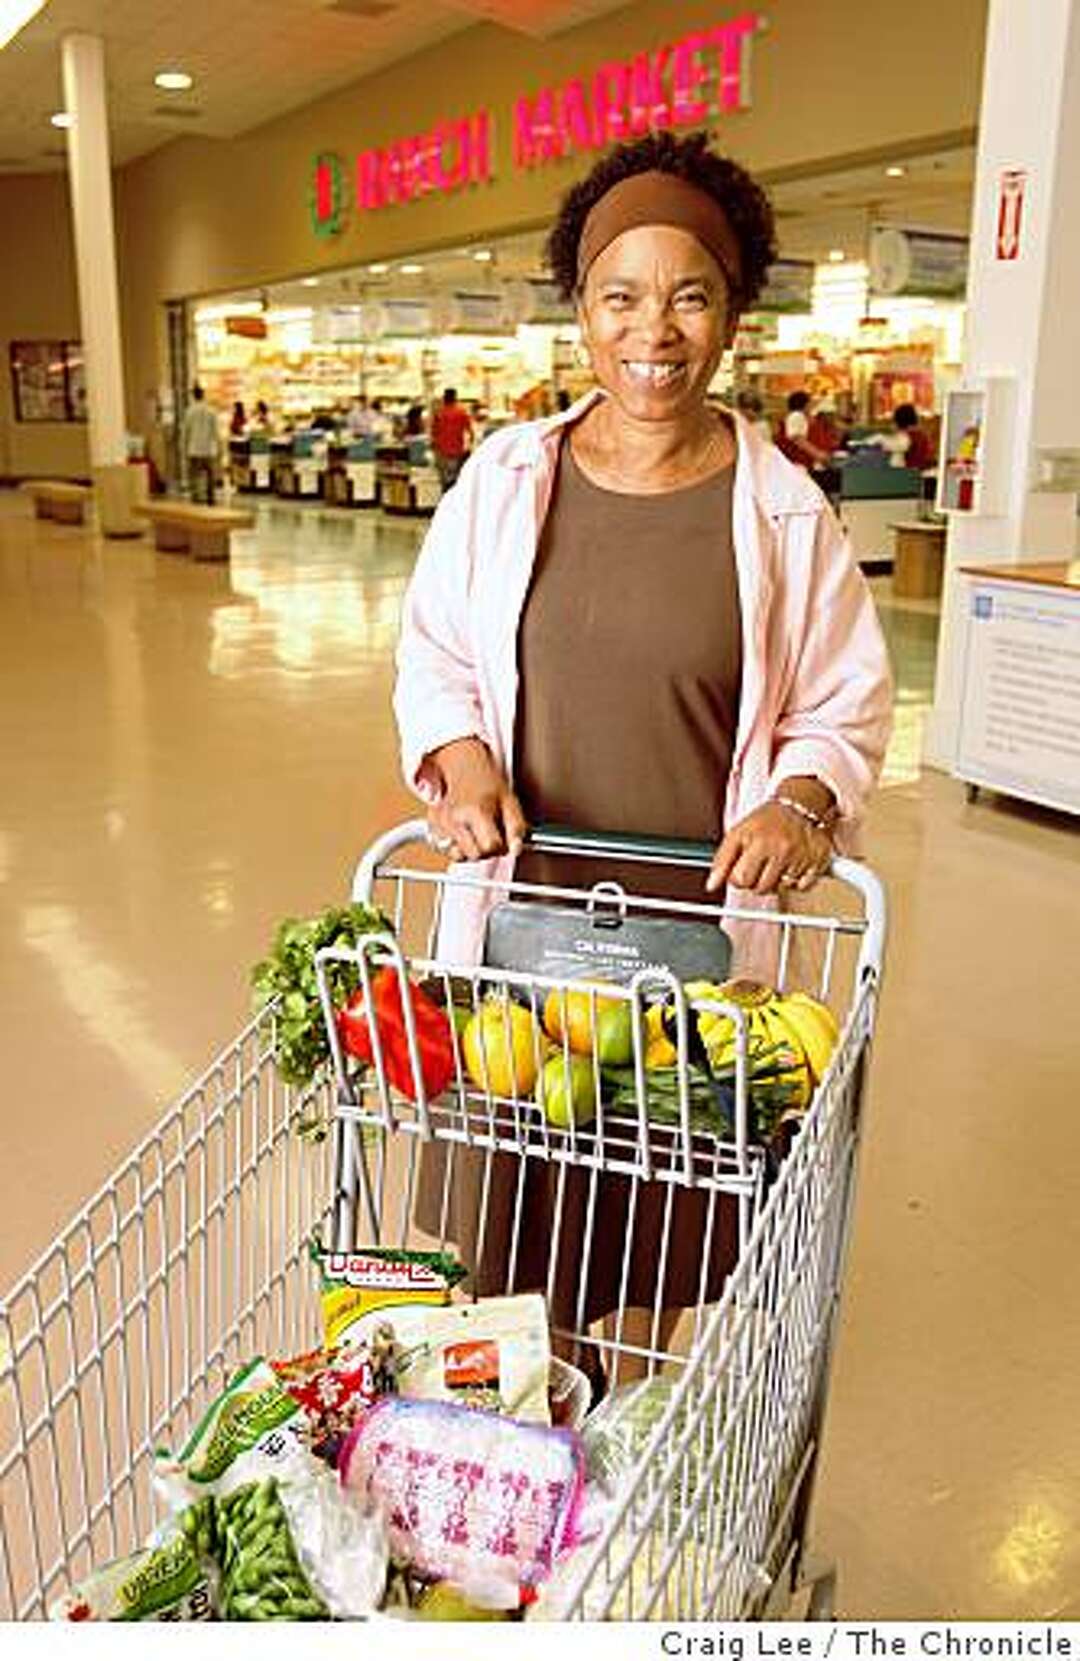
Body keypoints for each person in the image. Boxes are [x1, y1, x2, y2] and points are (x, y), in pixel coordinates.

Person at [394, 130, 892, 1372]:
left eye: (689, 296)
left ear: (732, 315)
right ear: (581, 309)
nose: (652, 331)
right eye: (620, 296)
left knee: (660, 1201)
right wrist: (459, 755)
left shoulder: (785, 512)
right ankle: (521, 1412)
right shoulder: (506, 479)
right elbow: (434, 653)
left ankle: (621, 1407)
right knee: (508, 1193)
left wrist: (801, 800)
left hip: (692, 931)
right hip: (524, 913)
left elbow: (845, 701)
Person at [430, 386, 473, 491]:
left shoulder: (439, 413)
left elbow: (433, 432)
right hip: (456, 449)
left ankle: (445, 493)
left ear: (444, 398)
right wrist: (469, 446)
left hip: (441, 450)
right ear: (455, 398)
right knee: (454, 478)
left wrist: (434, 445)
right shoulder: (462, 412)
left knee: (444, 478)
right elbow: (470, 432)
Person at [183, 386, 220, 505]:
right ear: (203, 395)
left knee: (194, 474)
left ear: (193, 396)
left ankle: (196, 496)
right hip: (209, 449)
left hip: (194, 448)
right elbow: (215, 431)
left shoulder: (189, 411)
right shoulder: (211, 411)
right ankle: (211, 496)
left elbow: (186, 431)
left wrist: (184, 446)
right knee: (210, 474)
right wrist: (219, 447)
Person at [779, 390, 829, 469]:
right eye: (810, 402)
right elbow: (798, 439)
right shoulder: (796, 416)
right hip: (798, 463)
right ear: (805, 404)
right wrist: (818, 454)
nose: (811, 406)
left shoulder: (803, 416)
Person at [893, 402, 935, 471]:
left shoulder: (901, 437)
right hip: (923, 473)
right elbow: (929, 458)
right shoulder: (924, 436)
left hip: (904, 474)